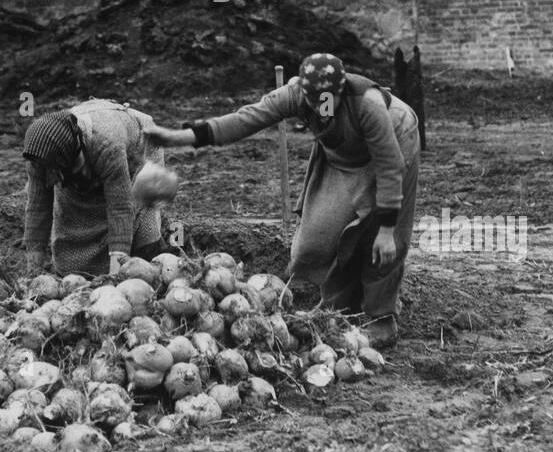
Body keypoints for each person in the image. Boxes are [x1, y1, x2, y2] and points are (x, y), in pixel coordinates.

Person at [144, 53, 419, 347]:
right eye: (313, 99)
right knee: (317, 241)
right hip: (342, 154)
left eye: (326, 98)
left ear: (340, 90)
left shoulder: (369, 105)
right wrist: (179, 137)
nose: (319, 106)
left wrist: (389, 229)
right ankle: (340, 305)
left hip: (394, 144)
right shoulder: (296, 95)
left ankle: (381, 318)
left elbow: (390, 168)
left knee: (379, 239)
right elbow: (242, 120)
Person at [22, 98, 169, 278]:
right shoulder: (38, 156)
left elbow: (120, 208)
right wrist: (33, 270)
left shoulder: (107, 146)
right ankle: (83, 277)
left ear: (73, 155)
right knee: (68, 245)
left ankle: (153, 262)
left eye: (57, 170)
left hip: (139, 146)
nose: (53, 177)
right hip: (81, 152)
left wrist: (116, 275)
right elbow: (38, 207)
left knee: (143, 231)